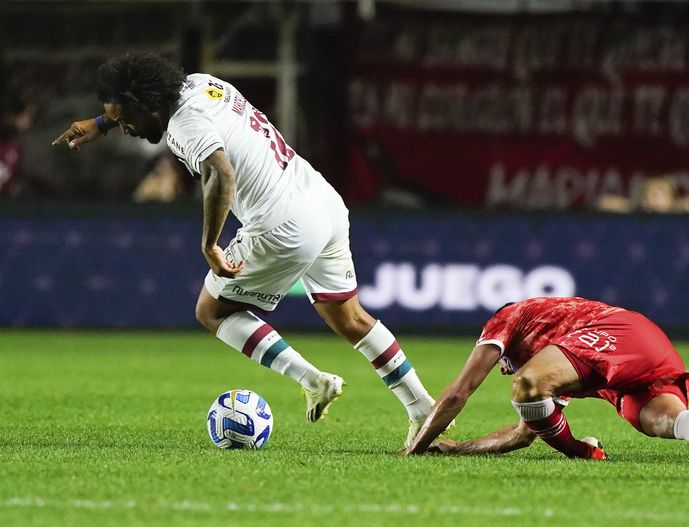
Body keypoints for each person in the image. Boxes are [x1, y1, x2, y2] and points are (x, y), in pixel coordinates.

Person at [52, 52, 437, 445]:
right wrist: (101, 123)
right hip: (321, 200)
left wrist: (210, 244)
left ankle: (313, 380)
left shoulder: (185, 124)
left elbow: (220, 172)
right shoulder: (199, 84)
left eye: (124, 118)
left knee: (212, 311)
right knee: (351, 317)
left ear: (148, 105)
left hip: (282, 222)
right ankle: (422, 408)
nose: (126, 127)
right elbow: (150, 115)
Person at [404, 297, 689, 459]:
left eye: (503, 362)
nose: (502, 369)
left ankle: (583, 453)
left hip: (617, 331)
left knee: (528, 385)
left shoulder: (508, 318)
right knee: (661, 420)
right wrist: (458, 448)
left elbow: (458, 393)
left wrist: (415, 448)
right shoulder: (558, 361)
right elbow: (521, 435)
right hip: (643, 348)